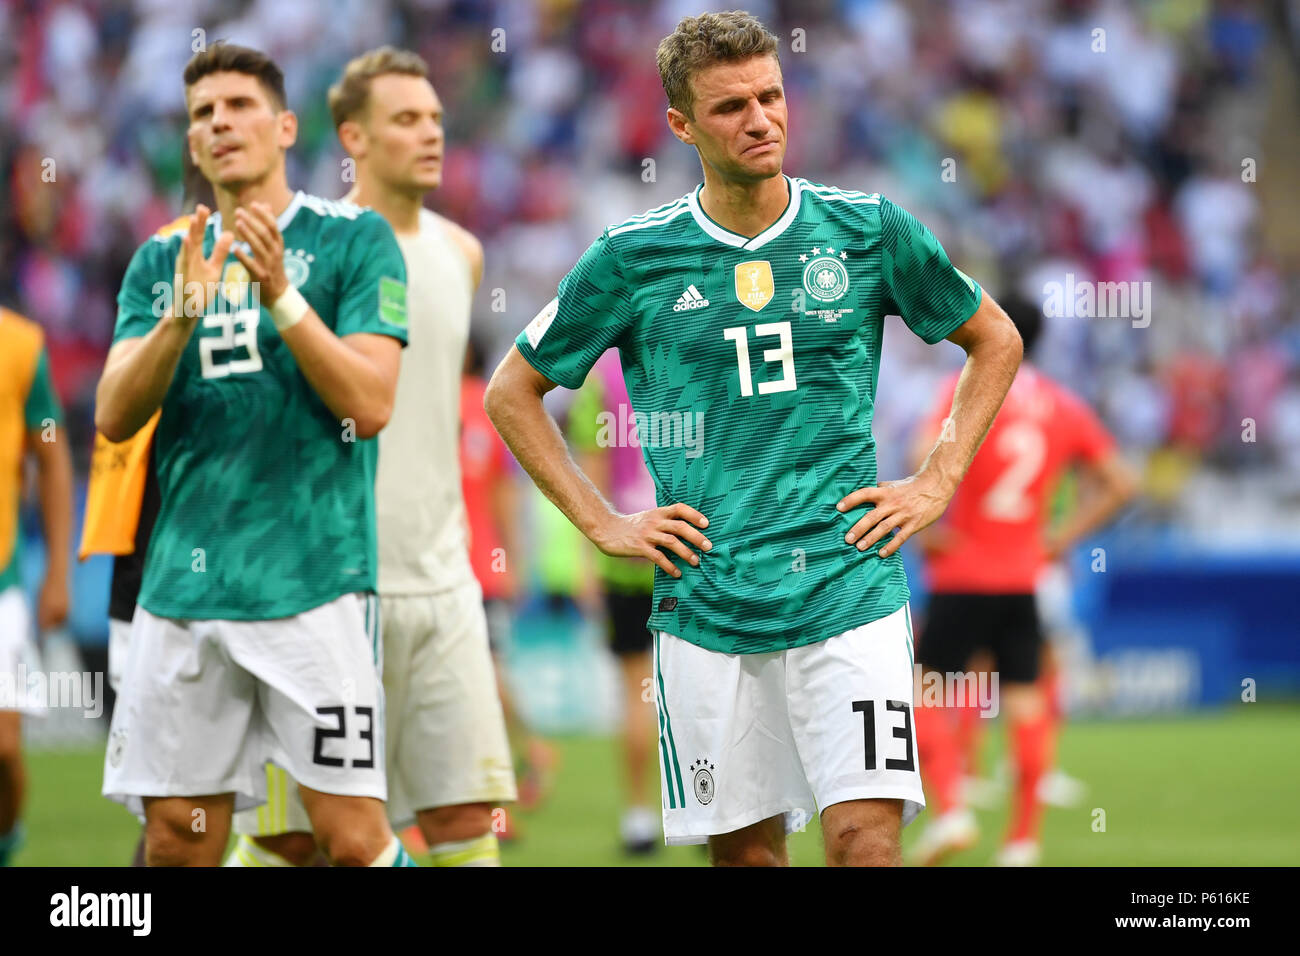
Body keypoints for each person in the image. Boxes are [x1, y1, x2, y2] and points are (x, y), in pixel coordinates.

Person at [484, 10, 1022, 867]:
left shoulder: (867, 230)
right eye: (731, 106)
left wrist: (937, 478)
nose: (760, 119)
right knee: (747, 858)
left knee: (866, 844)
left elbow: (994, 338)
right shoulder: (631, 258)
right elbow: (512, 391)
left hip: (848, 585)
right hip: (708, 602)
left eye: (770, 96)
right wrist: (602, 522)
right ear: (682, 125)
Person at [96, 42, 415, 866]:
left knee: (350, 840)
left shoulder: (355, 240)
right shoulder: (161, 260)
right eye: (203, 113)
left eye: (239, 105)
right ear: (192, 144)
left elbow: (370, 404)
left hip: (314, 584)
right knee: (177, 839)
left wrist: (280, 295)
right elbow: (113, 415)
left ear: (285, 127)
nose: (220, 123)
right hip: (183, 591)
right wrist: (178, 318)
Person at [227, 47, 516, 869]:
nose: (430, 134)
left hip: (444, 582)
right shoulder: (308, 253)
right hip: (331, 587)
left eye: (435, 119)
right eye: (406, 120)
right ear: (352, 137)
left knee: (467, 817)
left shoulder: (463, 252)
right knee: (291, 836)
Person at [910, 297, 1137, 866]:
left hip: (961, 572)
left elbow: (920, 458)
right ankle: (1022, 841)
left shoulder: (962, 391)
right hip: (1024, 576)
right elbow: (1121, 483)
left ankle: (953, 810)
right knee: (1027, 700)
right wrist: (1061, 537)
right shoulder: (1063, 404)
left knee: (925, 693)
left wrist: (926, 527)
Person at [569, 350, 660, 853]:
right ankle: (707, 807)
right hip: (690, 547)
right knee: (702, 688)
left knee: (635, 692)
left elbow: (592, 473)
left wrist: (588, 559)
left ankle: (638, 816)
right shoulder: (686, 346)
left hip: (625, 556)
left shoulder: (601, 379)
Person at [0, 306, 73, 866]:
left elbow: (50, 452)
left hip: (3, 580)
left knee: (3, 751)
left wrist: (57, 574)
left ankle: (4, 841)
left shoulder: (20, 344)